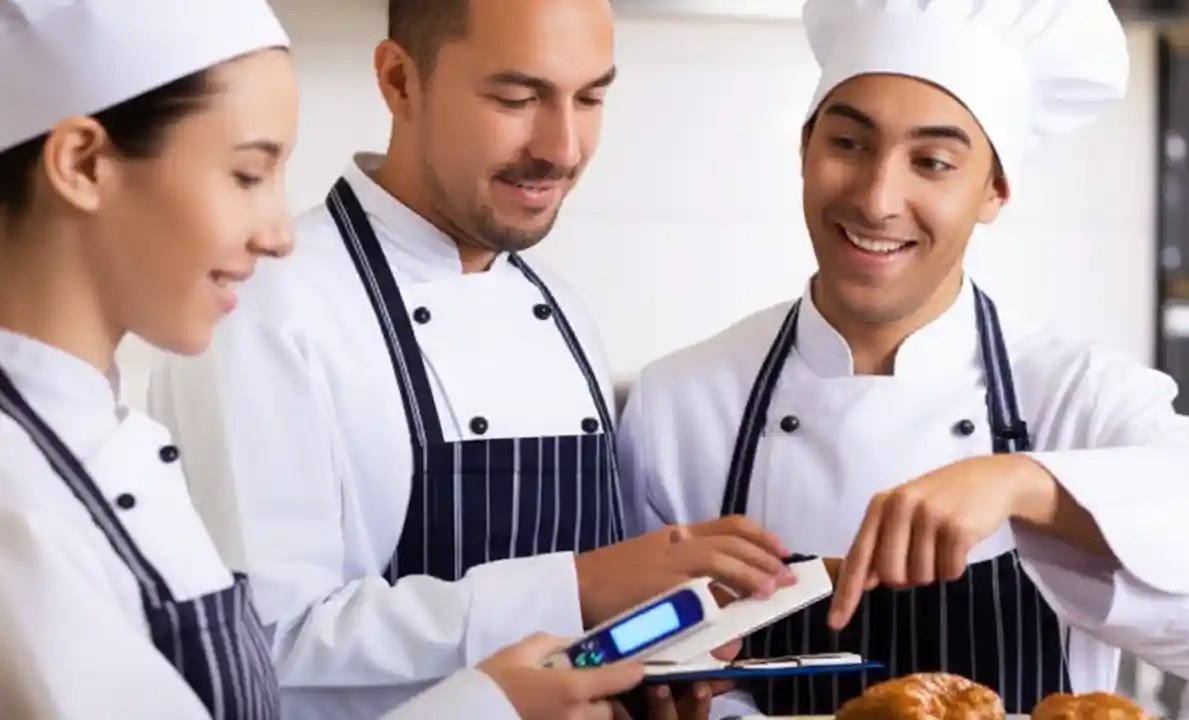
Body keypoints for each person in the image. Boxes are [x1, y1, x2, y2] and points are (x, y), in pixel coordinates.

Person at [0, 0, 668, 718]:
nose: (279, 234)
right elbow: (279, 649)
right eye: (248, 174)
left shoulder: (108, 445)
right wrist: (509, 684)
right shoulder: (25, 485)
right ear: (82, 163)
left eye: (591, 97)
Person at [617, 0, 1189, 717]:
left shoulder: (1074, 393)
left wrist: (1024, 483)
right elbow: (628, 655)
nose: (877, 199)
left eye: (931, 162)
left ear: (994, 190)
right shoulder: (679, 403)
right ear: (805, 149)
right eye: (848, 143)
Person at [146, 0, 791, 717]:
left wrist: (648, 668)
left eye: (590, 98)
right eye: (516, 98)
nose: (563, 148)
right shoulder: (264, 307)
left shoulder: (561, 307)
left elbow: (584, 641)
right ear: (400, 81)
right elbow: (265, 648)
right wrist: (577, 587)